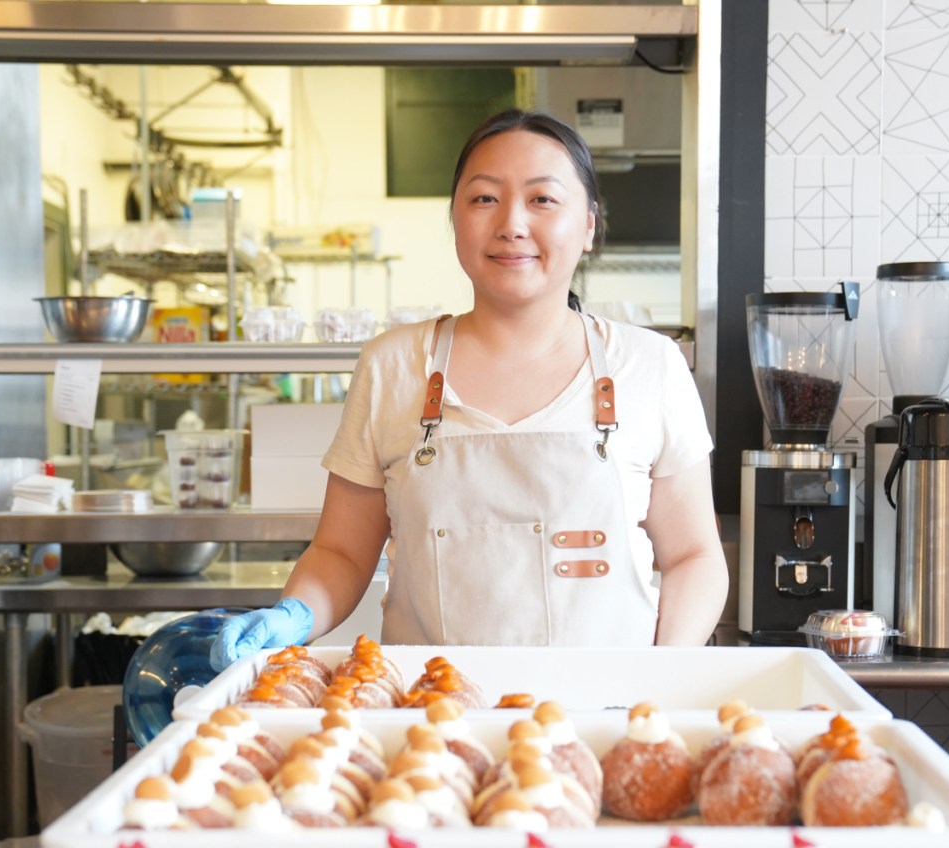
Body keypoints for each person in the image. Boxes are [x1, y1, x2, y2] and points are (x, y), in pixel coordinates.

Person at [211, 108, 727, 670]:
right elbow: (341, 552)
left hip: (607, 716)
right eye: (484, 199)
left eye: (543, 200)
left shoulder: (650, 366)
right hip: (432, 721)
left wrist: (665, 673)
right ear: (455, 220)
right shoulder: (393, 365)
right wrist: (293, 617)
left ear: (588, 226)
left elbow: (695, 556)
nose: (512, 224)